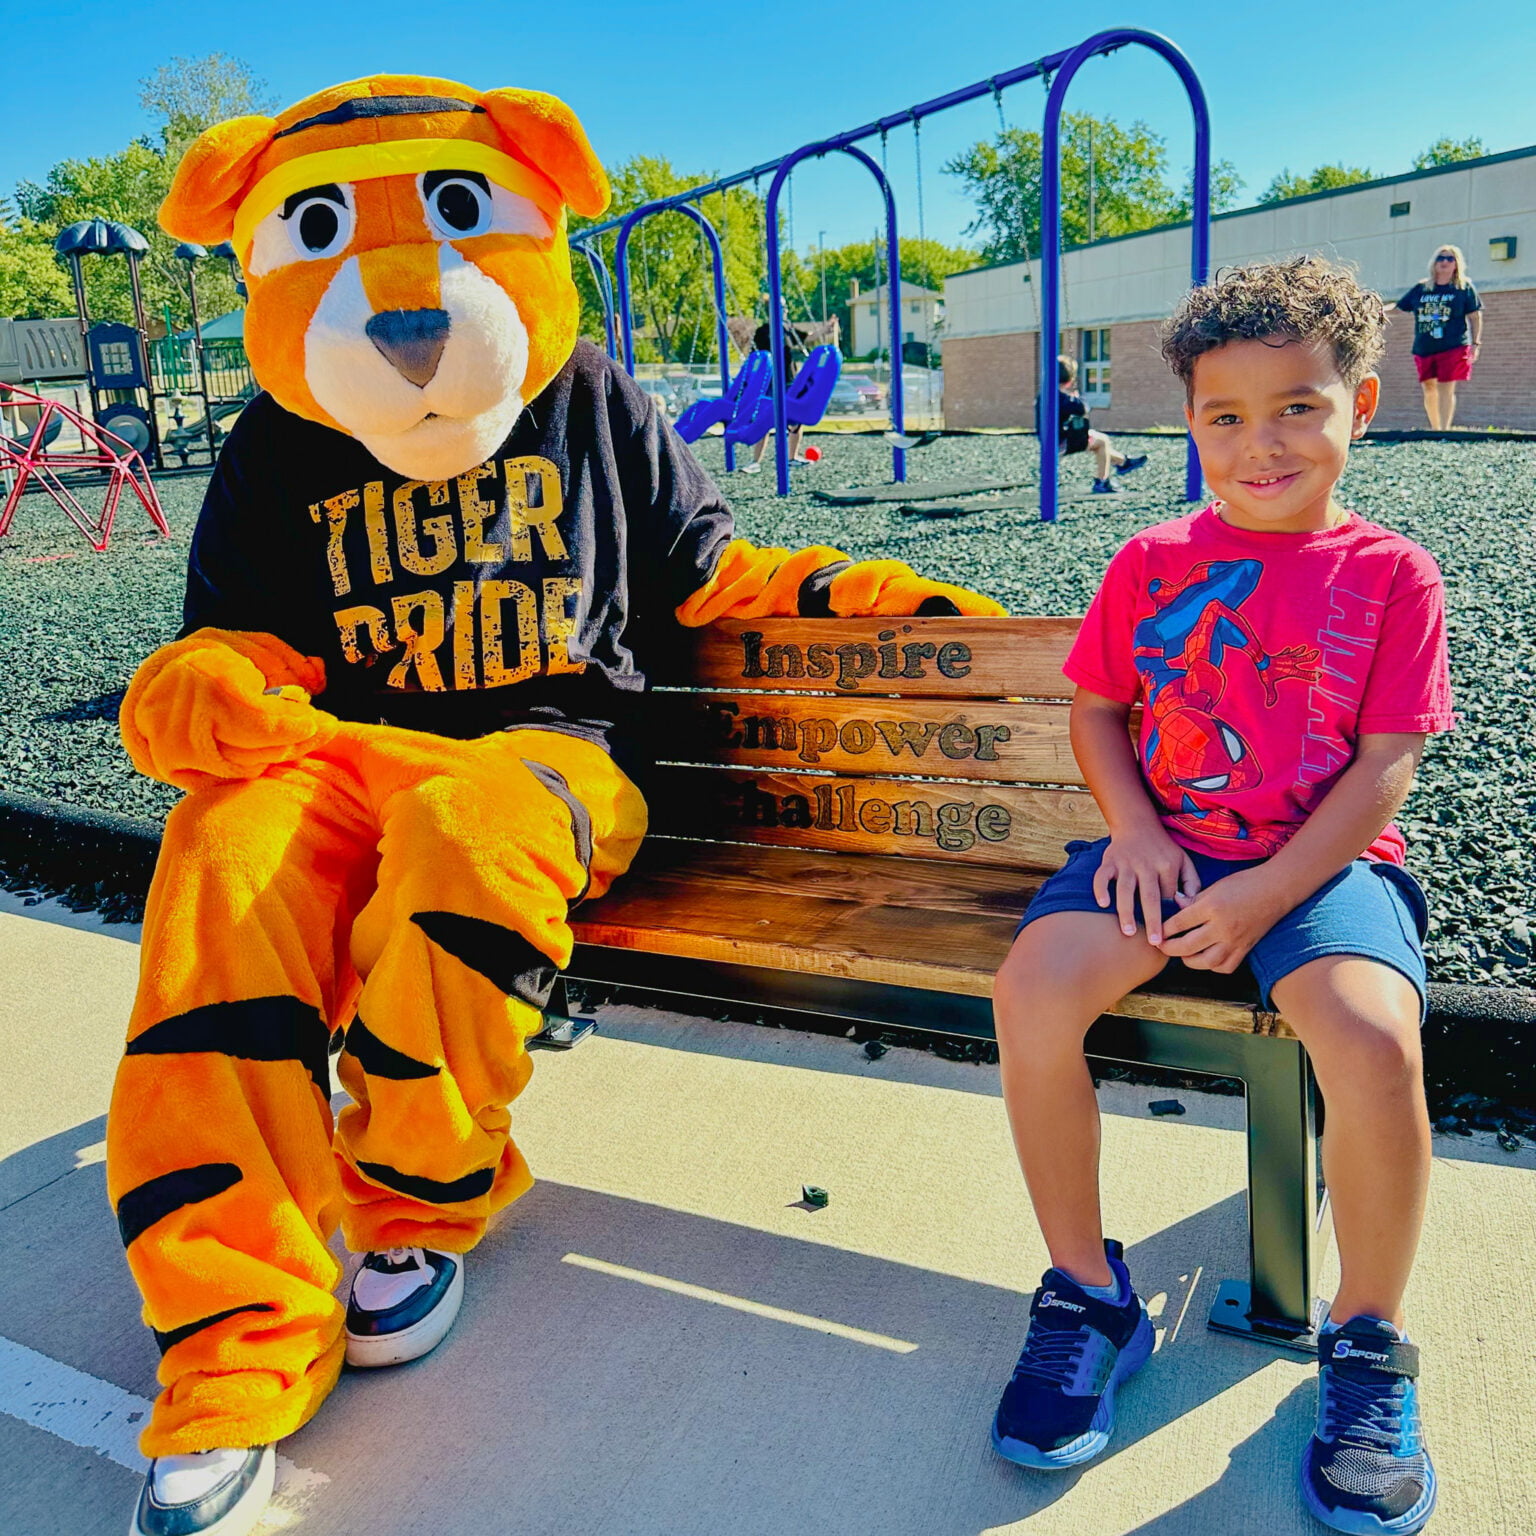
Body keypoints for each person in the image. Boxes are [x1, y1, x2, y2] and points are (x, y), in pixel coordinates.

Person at [111, 73, 1006, 1536]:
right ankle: (232, 1341)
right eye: (328, 236)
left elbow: (710, 573)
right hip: (351, 761)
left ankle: (407, 1207)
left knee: (477, 833)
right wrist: (202, 678)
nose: (401, 300)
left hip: (550, 759)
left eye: (456, 218)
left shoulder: (587, 394)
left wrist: (876, 604)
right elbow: (238, 634)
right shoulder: (280, 440)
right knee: (223, 849)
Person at [991, 256, 1453, 1536]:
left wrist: (1260, 897)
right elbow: (1098, 709)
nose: (1263, 443)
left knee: (1369, 1040)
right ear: (1188, 423)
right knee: (1031, 993)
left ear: (1361, 402)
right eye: (1225, 417)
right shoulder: (1149, 560)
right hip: (1163, 853)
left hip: (1319, 871)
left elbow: (1382, 772)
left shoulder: (1392, 576)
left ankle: (1367, 1341)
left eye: (1299, 406)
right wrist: (1131, 833)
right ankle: (1088, 1295)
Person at [1393, 245, 1483, 428]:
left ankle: (1445, 429)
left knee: (1446, 387)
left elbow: (1475, 315)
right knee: (1429, 388)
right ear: (1433, 263)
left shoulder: (1463, 288)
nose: (1444, 262)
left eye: (1450, 259)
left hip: (1453, 345)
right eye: (1440, 258)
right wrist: (1375, 310)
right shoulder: (1422, 288)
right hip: (1424, 346)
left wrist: (1475, 343)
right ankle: (1435, 429)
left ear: (1456, 264)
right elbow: (1398, 308)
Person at [1038, 354, 1147, 493]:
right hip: (1062, 443)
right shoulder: (1062, 398)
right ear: (1068, 381)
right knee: (1103, 441)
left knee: (1097, 443)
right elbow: (1083, 409)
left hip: (1050, 441)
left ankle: (1124, 462)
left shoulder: (1044, 395)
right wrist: (1076, 399)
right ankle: (1102, 482)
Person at [740, 319, 806, 473]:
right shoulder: (763, 331)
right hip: (769, 381)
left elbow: (807, 338)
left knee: (796, 422)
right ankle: (755, 461)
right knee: (764, 419)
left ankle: (792, 457)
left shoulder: (788, 330)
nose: (783, 313)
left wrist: (826, 329)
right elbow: (755, 354)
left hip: (788, 380)